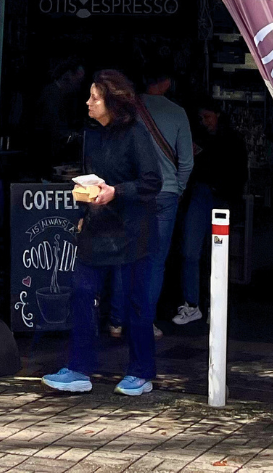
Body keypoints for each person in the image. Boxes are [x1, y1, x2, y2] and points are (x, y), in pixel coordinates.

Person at [41, 69, 162, 397]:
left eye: (95, 97)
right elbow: (94, 176)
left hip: (133, 229)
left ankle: (140, 372)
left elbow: (153, 181)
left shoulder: (136, 134)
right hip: (97, 226)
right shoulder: (92, 135)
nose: (88, 102)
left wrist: (117, 192)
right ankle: (79, 368)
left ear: (112, 102)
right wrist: (85, 204)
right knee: (81, 293)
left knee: (135, 301)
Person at [112, 68, 191, 339]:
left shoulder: (130, 110)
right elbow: (187, 162)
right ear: (167, 81)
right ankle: (144, 321)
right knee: (155, 261)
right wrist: (176, 188)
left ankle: (117, 321)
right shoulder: (177, 113)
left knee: (127, 257)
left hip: (134, 193)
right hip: (165, 194)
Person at [172, 100, 246, 326]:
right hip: (202, 193)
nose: (204, 122)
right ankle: (193, 303)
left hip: (220, 196)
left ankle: (215, 303)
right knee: (191, 251)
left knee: (217, 252)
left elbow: (240, 175)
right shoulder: (199, 138)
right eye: (202, 118)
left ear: (218, 115)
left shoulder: (232, 140)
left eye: (208, 117)